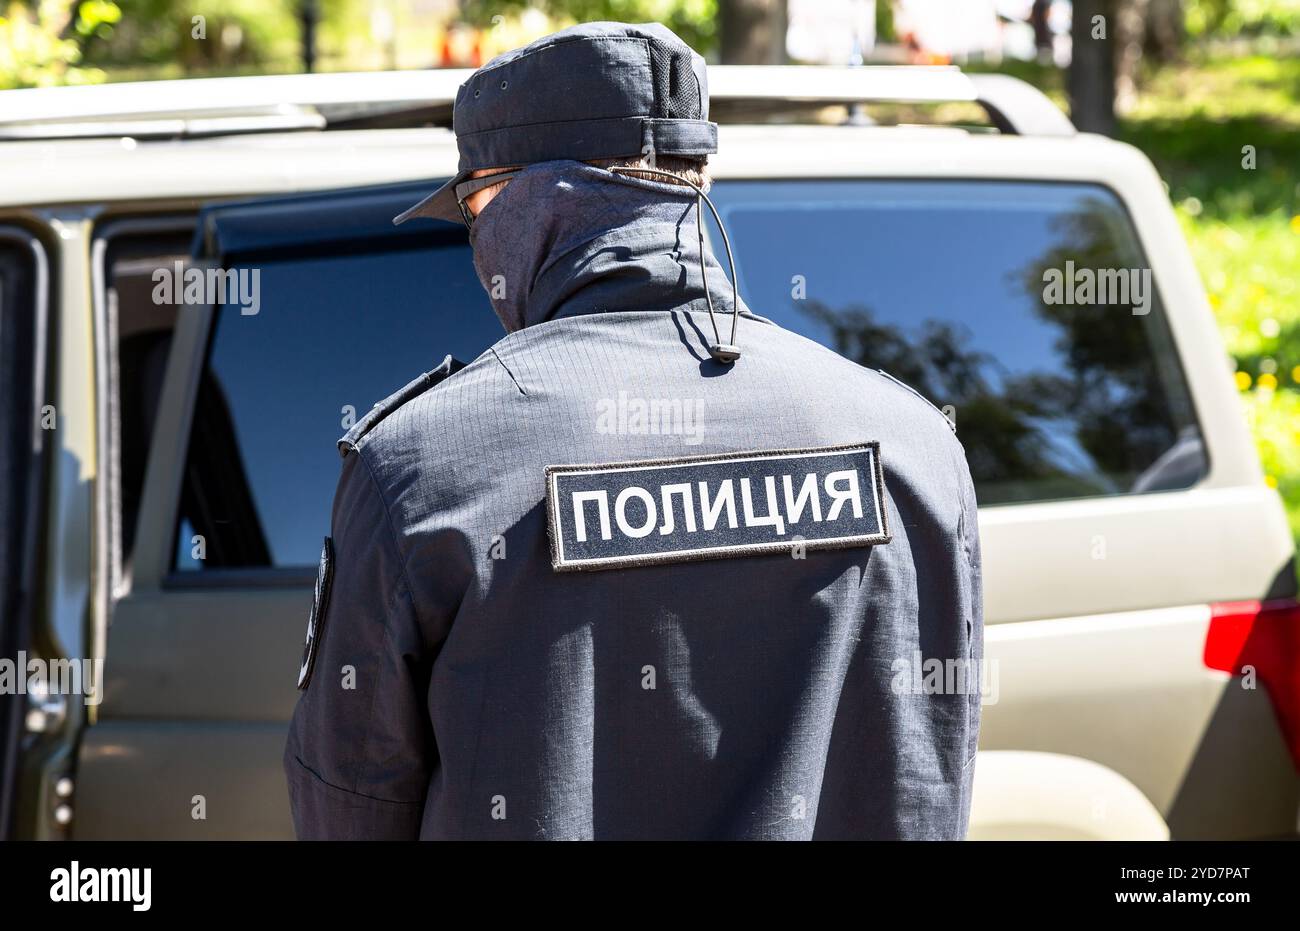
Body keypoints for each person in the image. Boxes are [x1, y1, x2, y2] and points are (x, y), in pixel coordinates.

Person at [284, 21, 983, 840]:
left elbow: (350, 807)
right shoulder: (915, 447)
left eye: (472, 209)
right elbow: (932, 786)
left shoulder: (418, 468)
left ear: (527, 201)